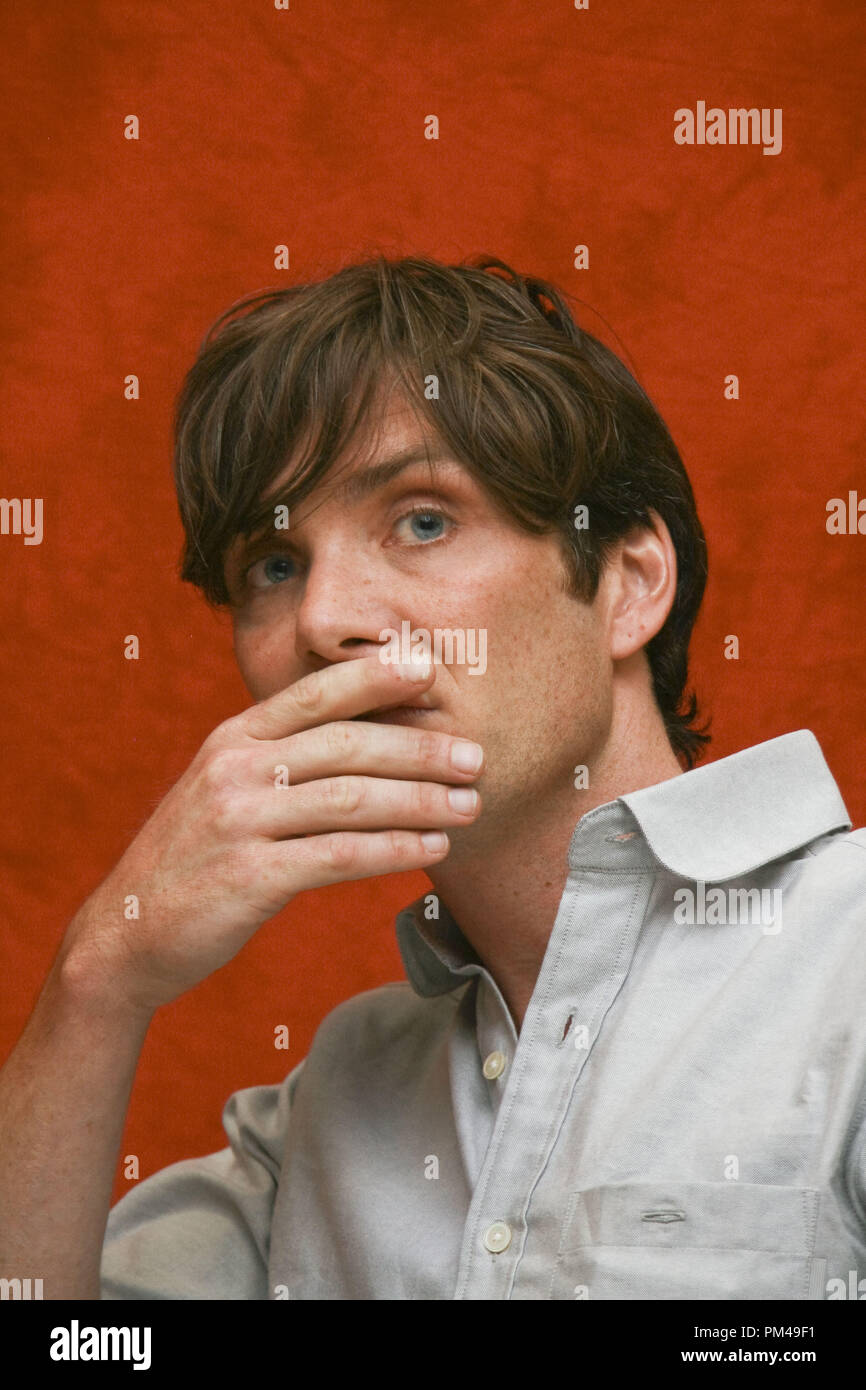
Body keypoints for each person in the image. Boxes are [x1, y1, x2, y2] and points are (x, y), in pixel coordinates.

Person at [0, 255, 863, 1301]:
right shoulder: (332, 1105)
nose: (323, 621)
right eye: (272, 566)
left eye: (420, 519)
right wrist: (102, 972)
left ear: (628, 585)